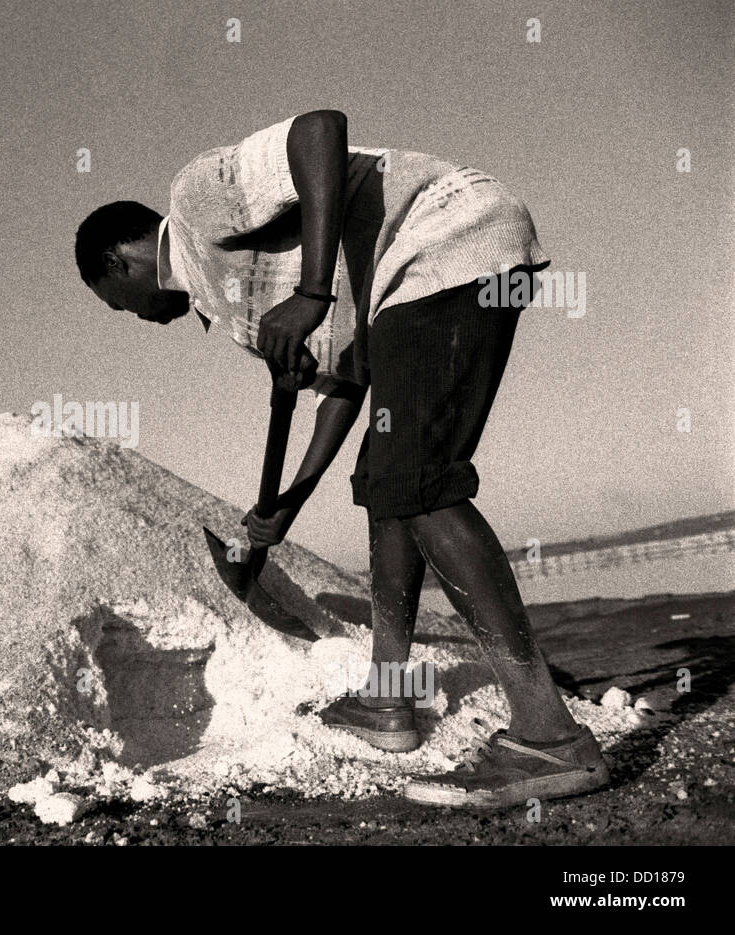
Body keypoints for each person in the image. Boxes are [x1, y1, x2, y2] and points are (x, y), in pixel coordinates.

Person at [73, 110, 609, 807]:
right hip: (404, 287)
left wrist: (313, 292)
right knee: (384, 484)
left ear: (122, 263)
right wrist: (288, 502)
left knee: (418, 482)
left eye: (116, 304)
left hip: (444, 235)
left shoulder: (194, 201)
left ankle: (550, 738)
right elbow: (345, 383)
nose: (132, 316)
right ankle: (389, 701)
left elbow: (317, 132)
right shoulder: (233, 310)